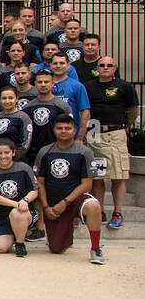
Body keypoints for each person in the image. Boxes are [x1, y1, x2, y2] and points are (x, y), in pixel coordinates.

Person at [35, 112, 104, 264]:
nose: (63, 131)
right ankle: (64, 238)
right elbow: (40, 183)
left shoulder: (84, 152)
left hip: (75, 199)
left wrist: (65, 202)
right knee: (57, 249)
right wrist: (46, 207)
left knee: (93, 206)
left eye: (67, 128)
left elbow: (87, 184)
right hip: (53, 203)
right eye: (60, 128)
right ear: (54, 130)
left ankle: (96, 248)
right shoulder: (45, 152)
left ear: (74, 130)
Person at [84, 55, 137, 229]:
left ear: (115, 68)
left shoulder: (125, 87)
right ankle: (98, 210)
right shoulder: (89, 86)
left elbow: (133, 111)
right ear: (97, 68)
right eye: (102, 65)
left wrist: (123, 128)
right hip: (94, 132)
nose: (105, 67)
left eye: (109, 65)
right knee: (97, 176)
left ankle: (117, 212)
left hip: (115, 133)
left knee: (118, 175)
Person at [0, 138, 38, 257]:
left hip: (24, 211)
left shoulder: (24, 168)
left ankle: (20, 243)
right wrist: (15, 203)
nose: (3, 156)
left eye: (7, 152)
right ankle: (13, 233)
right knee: (1, 248)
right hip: (2, 214)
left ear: (13, 152)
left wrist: (24, 200)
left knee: (17, 213)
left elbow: (34, 190)